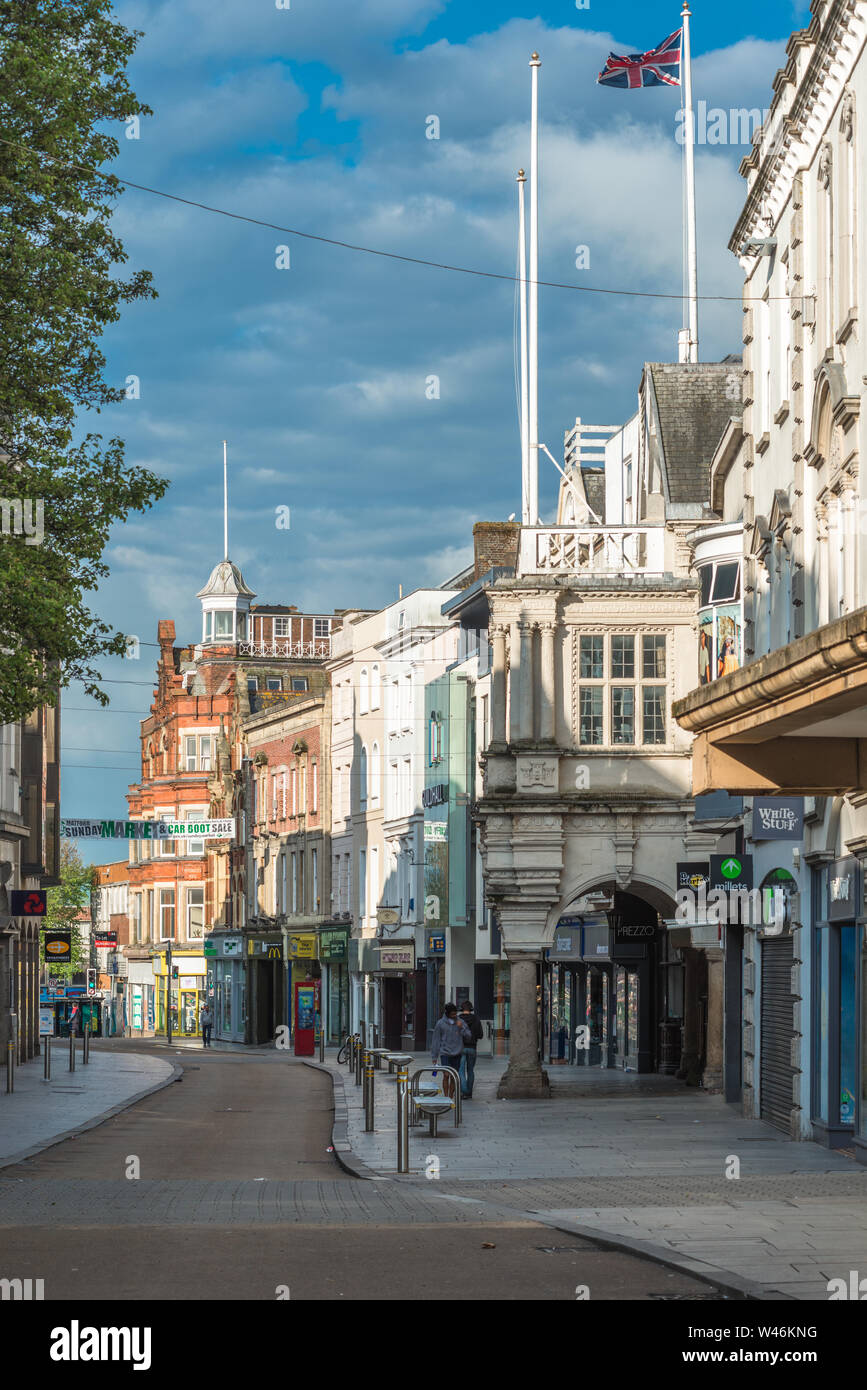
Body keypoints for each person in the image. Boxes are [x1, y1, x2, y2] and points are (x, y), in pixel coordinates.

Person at [430, 1003, 471, 1098]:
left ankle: (450, 1097)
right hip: (445, 1053)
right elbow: (436, 1040)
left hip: (457, 1053)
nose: (454, 1016)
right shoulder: (440, 1023)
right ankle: (445, 1097)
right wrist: (434, 1056)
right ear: (447, 1013)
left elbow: (469, 1036)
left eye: (455, 1014)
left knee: (453, 1076)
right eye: (452, 1014)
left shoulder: (460, 1022)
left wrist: (462, 1027)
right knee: (446, 1075)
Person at [458, 999, 483, 1098]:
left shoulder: (458, 1019)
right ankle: (469, 1092)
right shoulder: (476, 1019)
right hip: (472, 1047)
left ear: (461, 1008)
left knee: (461, 1070)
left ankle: (464, 1091)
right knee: (470, 1070)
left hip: (460, 1048)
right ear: (471, 1009)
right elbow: (480, 1035)